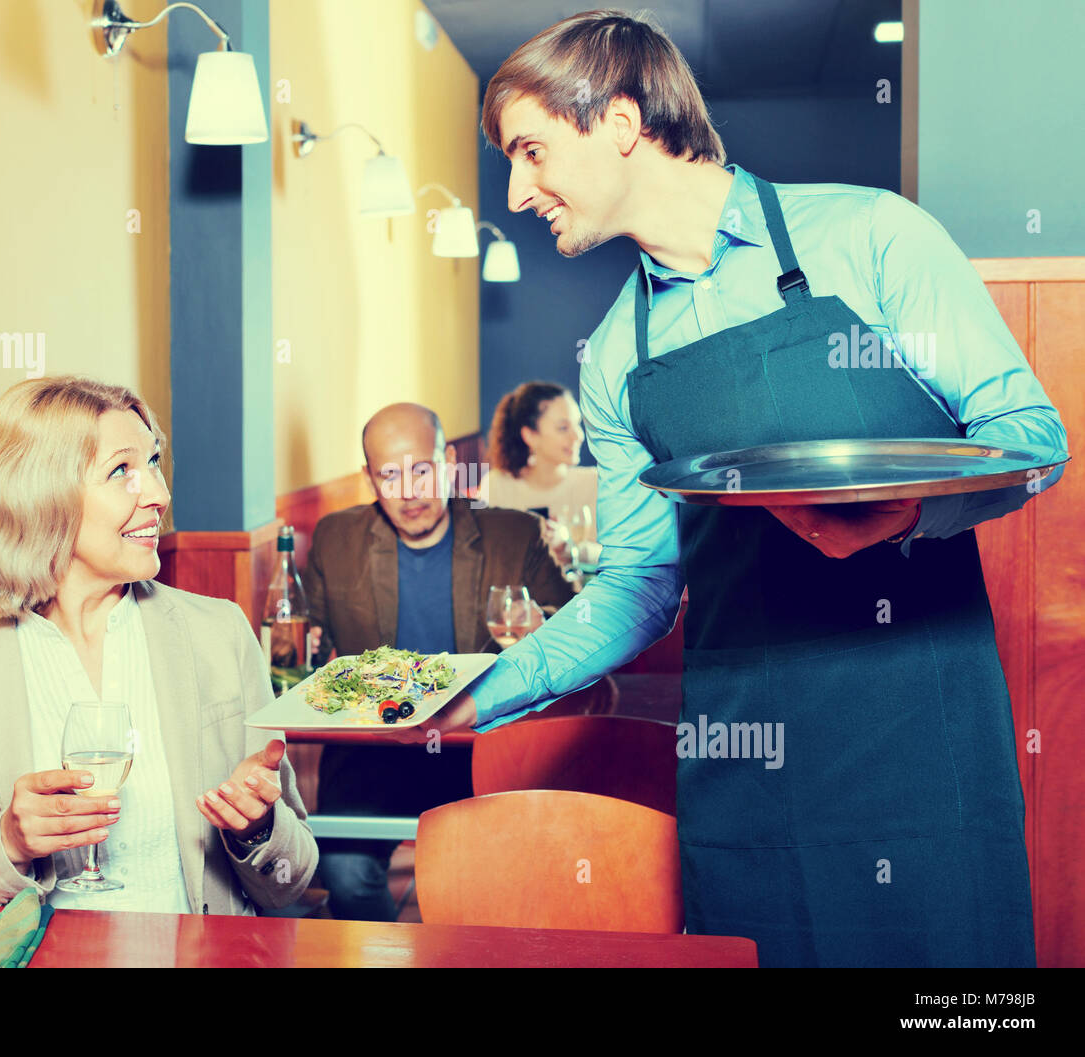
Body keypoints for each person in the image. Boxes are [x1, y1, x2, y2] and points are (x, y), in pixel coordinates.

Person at [411, 10, 1067, 967]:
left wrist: (911, 511)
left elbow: (1032, 437)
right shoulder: (616, 355)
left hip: (916, 726)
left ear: (621, 122)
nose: (516, 192)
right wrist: (478, 695)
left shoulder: (871, 235)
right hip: (743, 757)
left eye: (531, 151)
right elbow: (640, 583)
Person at [0, 376, 318, 914]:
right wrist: (8, 845)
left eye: (154, 462)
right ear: (41, 497)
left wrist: (256, 830)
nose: (159, 494)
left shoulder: (220, 634)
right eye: (122, 471)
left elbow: (293, 881)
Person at [302, 402, 571, 921]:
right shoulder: (336, 539)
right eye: (389, 475)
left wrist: (544, 633)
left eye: (421, 470)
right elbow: (304, 642)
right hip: (374, 754)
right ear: (369, 479)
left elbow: (572, 634)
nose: (409, 492)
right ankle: (390, 952)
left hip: (479, 748)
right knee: (345, 874)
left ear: (448, 463)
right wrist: (300, 647)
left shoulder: (514, 535)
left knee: (485, 890)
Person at [480, 381, 601, 568]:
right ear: (530, 436)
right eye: (563, 428)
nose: (578, 436)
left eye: (577, 424)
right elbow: (485, 556)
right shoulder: (495, 486)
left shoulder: (593, 483)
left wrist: (570, 549)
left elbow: (619, 557)